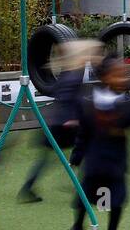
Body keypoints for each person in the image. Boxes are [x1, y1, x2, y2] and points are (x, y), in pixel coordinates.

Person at [58, 55, 130, 230]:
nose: (123, 78)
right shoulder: (88, 103)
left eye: (125, 74)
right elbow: (83, 134)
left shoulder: (129, 104)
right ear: (105, 77)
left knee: (116, 200)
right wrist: (75, 158)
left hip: (116, 161)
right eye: (118, 75)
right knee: (83, 198)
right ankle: (77, 228)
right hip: (95, 160)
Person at [18, 40, 100, 203]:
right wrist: (73, 118)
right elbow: (68, 97)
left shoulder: (68, 72)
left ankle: (28, 188)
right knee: (90, 150)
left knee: (48, 158)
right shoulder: (74, 74)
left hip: (57, 123)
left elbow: (64, 94)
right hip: (66, 124)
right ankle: (87, 189)